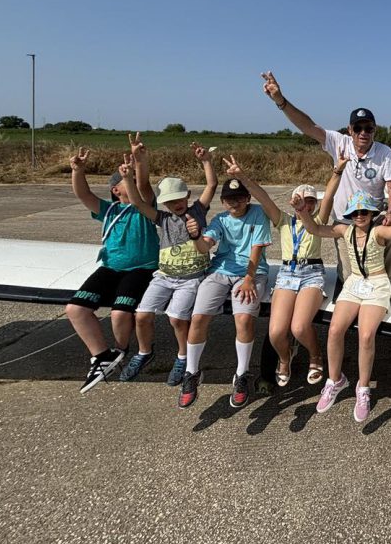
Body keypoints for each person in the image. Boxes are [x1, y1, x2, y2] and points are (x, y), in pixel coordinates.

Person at [260, 71, 391, 282]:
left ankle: (385, 282)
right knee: (349, 276)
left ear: (375, 130)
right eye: (359, 128)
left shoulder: (384, 152)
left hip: (373, 218)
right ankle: (350, 288)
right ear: (350, 130)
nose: (364, 133)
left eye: (369, 128)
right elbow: (308, 126)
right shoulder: (339, 142)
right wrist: (280, 100)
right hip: (346, 220)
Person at [220, 154, 342, 393]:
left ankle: (315, 355)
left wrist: (336, 173)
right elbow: (262, 196)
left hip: (312, 273)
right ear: (292, 201)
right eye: (301, 200)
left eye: (310, 201)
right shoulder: (283, 220)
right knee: (276, 332)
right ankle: (285, 358)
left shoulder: (317, 219)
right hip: (287, 273)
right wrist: (241, 176)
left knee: (298, 327)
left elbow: (329, 195)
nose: (305, 205)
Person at [293, 187, 391, 423]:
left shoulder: (377, 232)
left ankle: (363, 388)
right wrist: (303, 212)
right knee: (334, 330)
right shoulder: (346, 230)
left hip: (376, 283)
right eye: (355, 212)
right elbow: (314, 229)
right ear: (350, 215)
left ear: (371, 213)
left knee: (366, 336)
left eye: (364, 211)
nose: (359, 216)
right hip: (355, 282)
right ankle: (335, 380)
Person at [64, 134, 160, 393]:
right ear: (116, 190)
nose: (133, 186)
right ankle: (101, 354)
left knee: (119, 313)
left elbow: (145, 185)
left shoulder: (144, 207)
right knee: (75, 309)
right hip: (110, 267)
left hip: (141, 269)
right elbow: (83, 193)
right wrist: (78, 171)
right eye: (124, 182)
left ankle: (120, 351)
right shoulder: (107, 210)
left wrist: (140, 161)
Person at [116, 141, 217, 384]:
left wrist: (205, 161)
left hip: (190, 279)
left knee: (177, 318)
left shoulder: (198, 212)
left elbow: (212, 184)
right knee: (141, 315)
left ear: (187, 196)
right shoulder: (162, 218)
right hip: (164, 276)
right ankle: (143, 352)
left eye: (179, 198)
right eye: (170, 201)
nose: (176, 204)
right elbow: (139, 203)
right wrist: (128, 178)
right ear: (164, 204)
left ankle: (183, 356)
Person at [179, 172, 272, 410]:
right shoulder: (219, 219)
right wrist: (196, 235)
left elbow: (256, 249)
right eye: (230, 199)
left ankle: (241, 374)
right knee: (198, 317)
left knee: (243, 318)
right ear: (223, 202)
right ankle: (191, 372)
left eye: (239, 198)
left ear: (248, 198)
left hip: (251, 272)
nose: (234, 203)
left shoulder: (258, 214)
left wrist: (249, 278)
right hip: (220, 270)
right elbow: (204, 247)